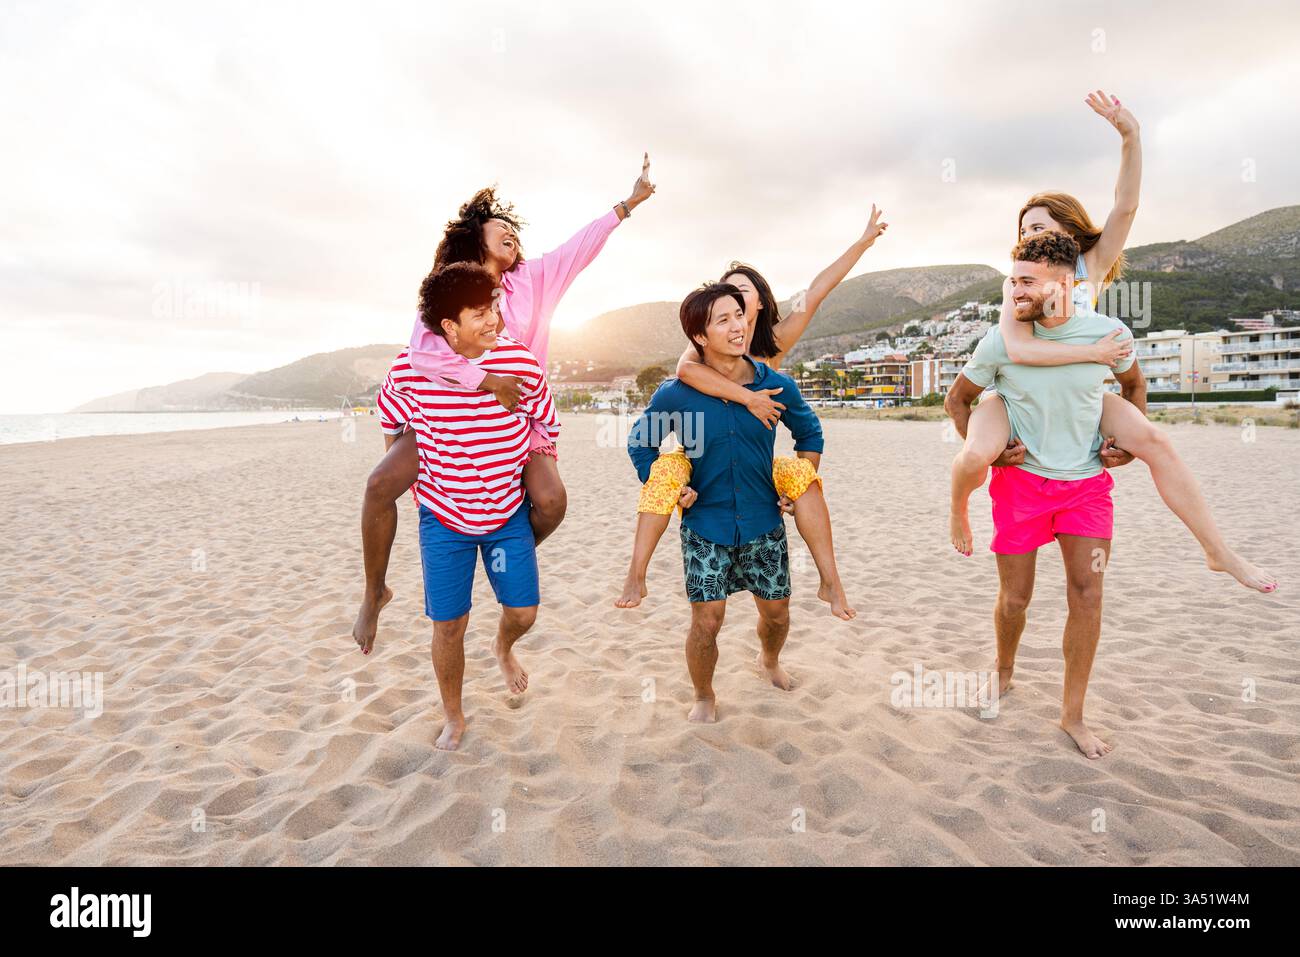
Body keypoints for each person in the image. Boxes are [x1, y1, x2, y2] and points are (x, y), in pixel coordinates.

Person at [948, 91, 1276, 594]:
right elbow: (1018, 353)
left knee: (1158, 443)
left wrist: (1130, 135)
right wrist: (1094, 354)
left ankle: (1217, 550)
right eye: (1023, 229)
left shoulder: (1089, 268)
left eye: (1039, 225)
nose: (1029, 235)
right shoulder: (1017, 293)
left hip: (1081, 393)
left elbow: (1126, 205)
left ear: (1067, 233)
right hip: (1022, 398)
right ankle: (959, 509)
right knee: (976, 457)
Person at [353, 155, 657, 654]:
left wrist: (628, 204)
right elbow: (424, 353)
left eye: (515, 230)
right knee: (380, 482)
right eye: (501, 230)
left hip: (514, 420)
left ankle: (504, 556)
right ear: (477, 241)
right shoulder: (448, 289)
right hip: (444, 414)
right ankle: (374, 592)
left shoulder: (534, 279)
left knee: (552, 500)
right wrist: (484, 379)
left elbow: (580, 247)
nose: (512, 234)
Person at [616, 204, 889, 618]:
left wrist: (863, 243)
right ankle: (637, 572)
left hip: (756, 460)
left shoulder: (775, 345)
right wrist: (747, 399)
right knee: (666, 471)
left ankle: (829, 582)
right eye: (726, 296)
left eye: (742, 293)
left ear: (759, 301)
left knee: (804, 476)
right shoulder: (703, 347)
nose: (734, 303)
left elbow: (818, 290)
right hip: (706, 464)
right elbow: (683, 372)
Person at [946, 231, 1143, 758]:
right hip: (1021, 487)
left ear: (1065, 281)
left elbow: (1135, 388)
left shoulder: (1109, 333)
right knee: (1015, 597)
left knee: (1088, 594)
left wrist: (1123, 443)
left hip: (1086, 490)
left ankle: (1072, 715)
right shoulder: (1000, 342)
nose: (1016, 290)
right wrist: (989, 448)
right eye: (1013, 280)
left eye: (1027, 281)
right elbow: (957, 400)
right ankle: (1003, 671)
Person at [376, 262, 560, 751]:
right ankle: (454, 716)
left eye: (494, 307)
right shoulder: (408, 370)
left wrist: (536, 468)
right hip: (443, 518)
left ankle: (503, 647)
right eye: (479, 313)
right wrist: (413, 471)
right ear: (448, 327)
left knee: (524, 614)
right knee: (449, 625)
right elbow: (391, 420)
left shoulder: (520, 363)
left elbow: (546, 423)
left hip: (505, 515)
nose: (494, 320)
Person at [628, 283, 825, 723]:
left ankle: (769, 661)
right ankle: (704, 695)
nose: (739, 326)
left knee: (776, 613)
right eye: (724, 320)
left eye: (740, 314)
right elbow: (642, 445)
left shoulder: (774, 385)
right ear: (699, 335)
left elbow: (810, 434)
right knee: (707, 621)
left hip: (763, 522)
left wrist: (797, 483)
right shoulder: (675, 394)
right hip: (705, 524)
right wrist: (670, 485)